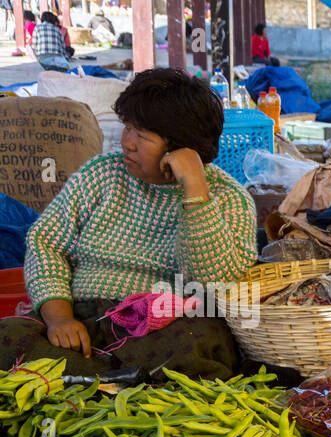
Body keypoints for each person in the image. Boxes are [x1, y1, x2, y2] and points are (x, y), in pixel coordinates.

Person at [0, 69, 254, 379]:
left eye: (142, 135)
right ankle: (114, 381)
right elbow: (45, 243)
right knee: (9, 338)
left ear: (182, 149)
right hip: (84, 317)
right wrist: (59, 318)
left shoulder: (229, 199)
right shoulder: (102, 174)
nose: (127, 143)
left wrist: (195, 194)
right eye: (127, 128)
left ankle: (90, 380)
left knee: (202, 343)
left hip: (163, 326)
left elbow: (214, 283)